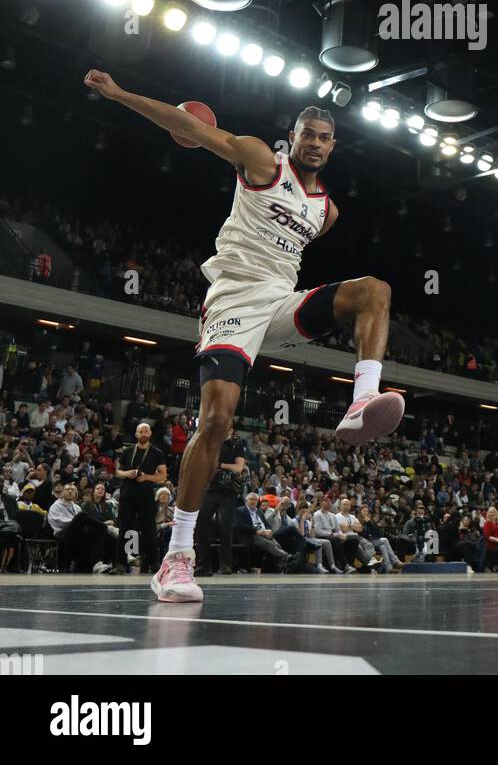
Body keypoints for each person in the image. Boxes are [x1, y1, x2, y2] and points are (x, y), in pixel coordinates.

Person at [84, 71, 405, 603]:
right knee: (216, 420)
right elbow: (184, 122)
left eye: (325, 137)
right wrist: (120, 95)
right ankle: (177, 557)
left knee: (375, 290)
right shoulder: (261, 161)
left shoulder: (327, 212)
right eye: (308, 134)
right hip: (234, 299)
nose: (316, 144)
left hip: (279, 304)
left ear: (333, 146)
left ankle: (361, 398)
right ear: (294, 136)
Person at [194, 419, 245, 577]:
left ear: (231, 428)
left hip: (228, 491)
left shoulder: (237, 444)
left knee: (226, 529)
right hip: (209, 489)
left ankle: (225, 565)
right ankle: (204, 565)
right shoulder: (211, 442)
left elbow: (239, 467)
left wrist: (220, 465)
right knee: (201, 526)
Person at [115, 423, 167, 575]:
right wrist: (127, 474)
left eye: (145, 431)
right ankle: (119, 563)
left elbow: (163, 476)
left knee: (149, 530)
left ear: (150, 433)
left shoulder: (157, 453)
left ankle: (154, 563)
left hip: (145, 495)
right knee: (123, 529)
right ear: (136, 435)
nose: (143, 434)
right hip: (127, 495)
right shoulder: (128, 450)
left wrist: (146, 477)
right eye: (140, 431)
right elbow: (117, 471)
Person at [236, 493, 291, 571]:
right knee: (270, 544)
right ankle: (287, 557)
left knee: (277, 545)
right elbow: (240, 525)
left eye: (255, 500)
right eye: (251, 499)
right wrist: (257, 531)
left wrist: (269, 531)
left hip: (264, 533)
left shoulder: (259, 512)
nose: (253, 501)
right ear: (246, 501)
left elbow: (266, 524)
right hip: (252, 534)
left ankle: (283, 565)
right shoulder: (240, 510)